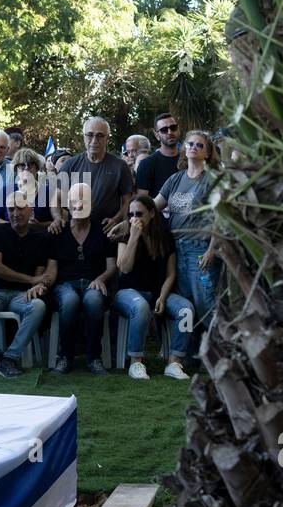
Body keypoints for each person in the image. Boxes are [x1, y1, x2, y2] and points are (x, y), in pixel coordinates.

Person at [0, 191, 54, 379]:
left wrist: (36, 285)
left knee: (38, 305)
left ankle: (10, 358)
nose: (15, 213)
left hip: (21, 295)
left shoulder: (41, 237)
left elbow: (39, 275)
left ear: (30, 209)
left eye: (20, 208)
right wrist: (30, 280)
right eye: (10, 209)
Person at [157, 129, 222, 362]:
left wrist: (212, 249)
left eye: (200, 145)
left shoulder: (212, 179)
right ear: (185, 148)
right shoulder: (175, 179)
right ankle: (191, 354)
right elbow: (153, 206)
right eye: (190, 144)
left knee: (206, 304)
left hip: (200, 249)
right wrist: (128, 223)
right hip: (176, 250)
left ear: (207, 153)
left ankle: (217, 354)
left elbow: (220, 217)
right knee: (187, 304)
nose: (194, 147)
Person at [113, 195, 191, 380]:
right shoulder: (126, 235)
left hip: (158, 292)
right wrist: (133, 237)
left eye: (139, 213)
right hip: (128, 292)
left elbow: (171, 273)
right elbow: (123, 268)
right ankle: (136, 362)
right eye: (131, 214)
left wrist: (163, 297)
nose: (134, 218)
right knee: (140, 307)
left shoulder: (164, 237)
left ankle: (174, 362)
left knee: (186, 310)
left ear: (151, 213)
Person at [48, 182, 114, 374]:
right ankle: (65, 357)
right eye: (74, 201)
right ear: (67, 205)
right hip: (64, 285)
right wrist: (43, 284)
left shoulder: (101, 231)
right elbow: (52, 268)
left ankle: (94, 358)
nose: (78, 205)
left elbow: (112, 266)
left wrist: (101, 278)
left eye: (83, 201)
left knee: (93, 301)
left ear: (91, 205)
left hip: (94, 283)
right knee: (69, 301)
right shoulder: (58, 231)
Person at [52, 117, 133, 236]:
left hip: (106, 232)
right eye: (90, 135)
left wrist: (116, 219)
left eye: (100, 136)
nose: (94, 140)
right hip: (75, 232)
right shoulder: (70, 165)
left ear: (107, 138)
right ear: (84, 136)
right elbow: (56, 198)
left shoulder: (120, 166)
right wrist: (58, 218)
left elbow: (128, 201)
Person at [0, 147, 59, 231]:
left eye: (30, 165)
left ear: (37, 168)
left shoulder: (49, 192)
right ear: (16, 169)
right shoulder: (6, 190)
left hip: (40, 240)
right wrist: (19, 224)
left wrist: (39, 225)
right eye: (22, 165)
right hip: (11, 240)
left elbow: (57, 222)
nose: (26, 168)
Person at [134, 112, 183, 199]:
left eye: (173, 128)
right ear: (157, 135)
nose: (170, 132)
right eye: (164, 130)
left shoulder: (189, 160)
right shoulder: (146, 165)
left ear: (178, 129)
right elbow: (142, 202)